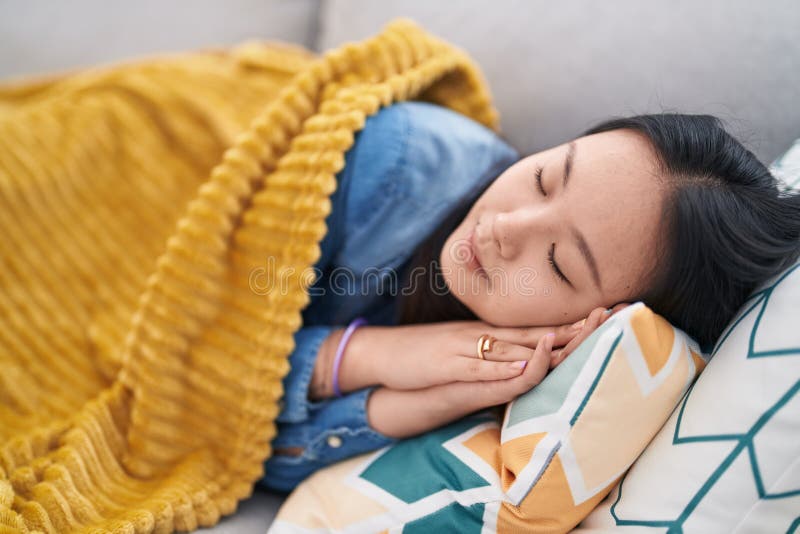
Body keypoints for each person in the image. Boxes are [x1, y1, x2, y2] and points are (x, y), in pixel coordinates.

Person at [257, 101, 800, 493]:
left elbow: (252, 463)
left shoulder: (523, 399)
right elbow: (199, 380)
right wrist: (369, 357)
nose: (506, 227)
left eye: (559, 262)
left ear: (596, 327)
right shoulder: (397, 164)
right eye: (544, 178)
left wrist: (435, 395)